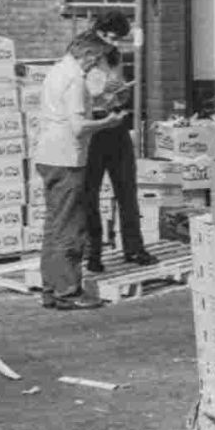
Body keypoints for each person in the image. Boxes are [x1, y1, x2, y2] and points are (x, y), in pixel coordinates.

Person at [34, 31, 127, 309]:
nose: (95, 66)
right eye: (95, 60)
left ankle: (52, 287)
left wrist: (96, 104)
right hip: (66, 158)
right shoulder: (75, 79)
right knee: (70, 225)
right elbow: (78, 127)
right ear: (85, 55)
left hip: (48, 154)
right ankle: (68, 291)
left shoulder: (56, 72)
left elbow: (67, 112)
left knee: (54, 224)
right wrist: (109, 122)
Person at [85, 12, 156, 271]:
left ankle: (134, 249)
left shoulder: (114, 55)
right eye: (109, 37)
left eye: (118, 39)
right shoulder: (82, 57)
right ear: (98, 32)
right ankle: (92, 254)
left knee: (127, 189)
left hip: (116, 126)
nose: (113, 43)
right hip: (93, 127)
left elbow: (121, 93)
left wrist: (121, 92)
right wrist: (100, 92)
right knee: (89, 193)